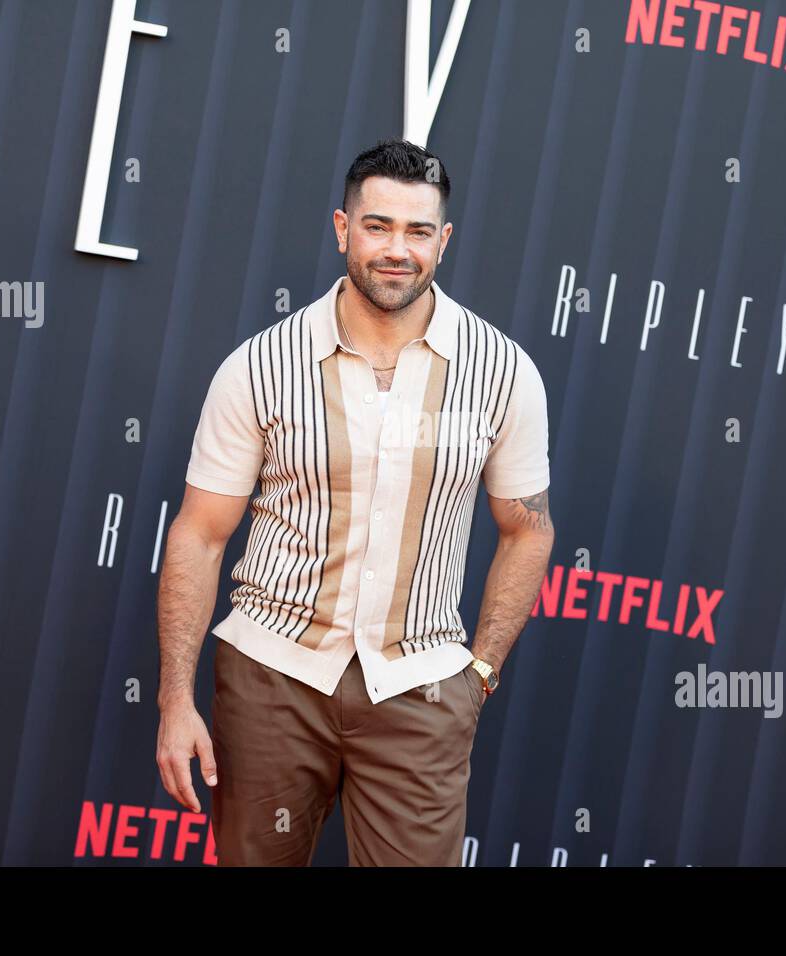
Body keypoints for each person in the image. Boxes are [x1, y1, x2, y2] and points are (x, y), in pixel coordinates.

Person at [155, 138, 553, 866]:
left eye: (418, 231)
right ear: (343, 228)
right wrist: (174, 701)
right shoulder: (259, 366)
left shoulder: (503, 372)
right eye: (378, 226)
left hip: (422, 690)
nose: (397, 249)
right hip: (271, 680)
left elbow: (527, 530)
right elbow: (200, 533)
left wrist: (481, 671)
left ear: (444, 240)